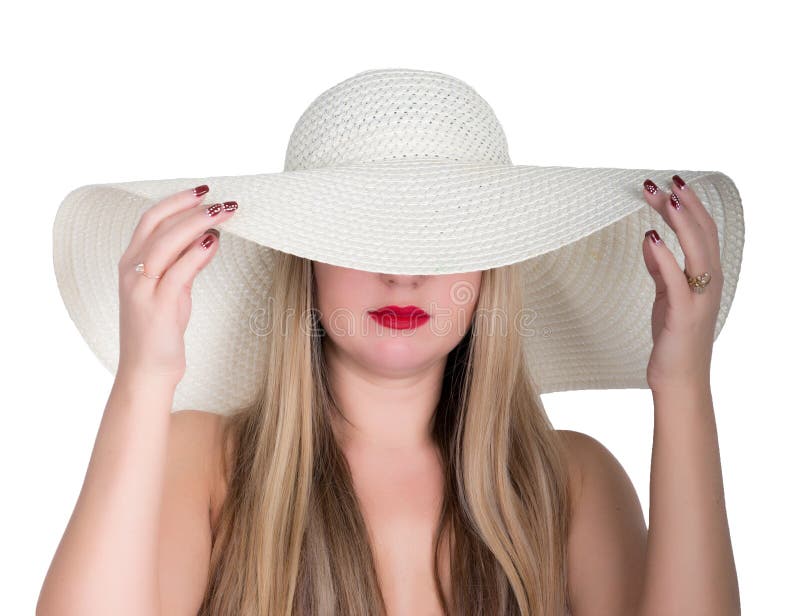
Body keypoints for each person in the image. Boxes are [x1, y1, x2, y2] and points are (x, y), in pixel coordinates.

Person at [38, 68, 741, 615]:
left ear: (493, 266)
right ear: (304, 259)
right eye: (361, 233)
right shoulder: (208, 464)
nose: (403, 273)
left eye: (444, 233)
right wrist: (144, 379)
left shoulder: (574, 484)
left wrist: (683, 389)